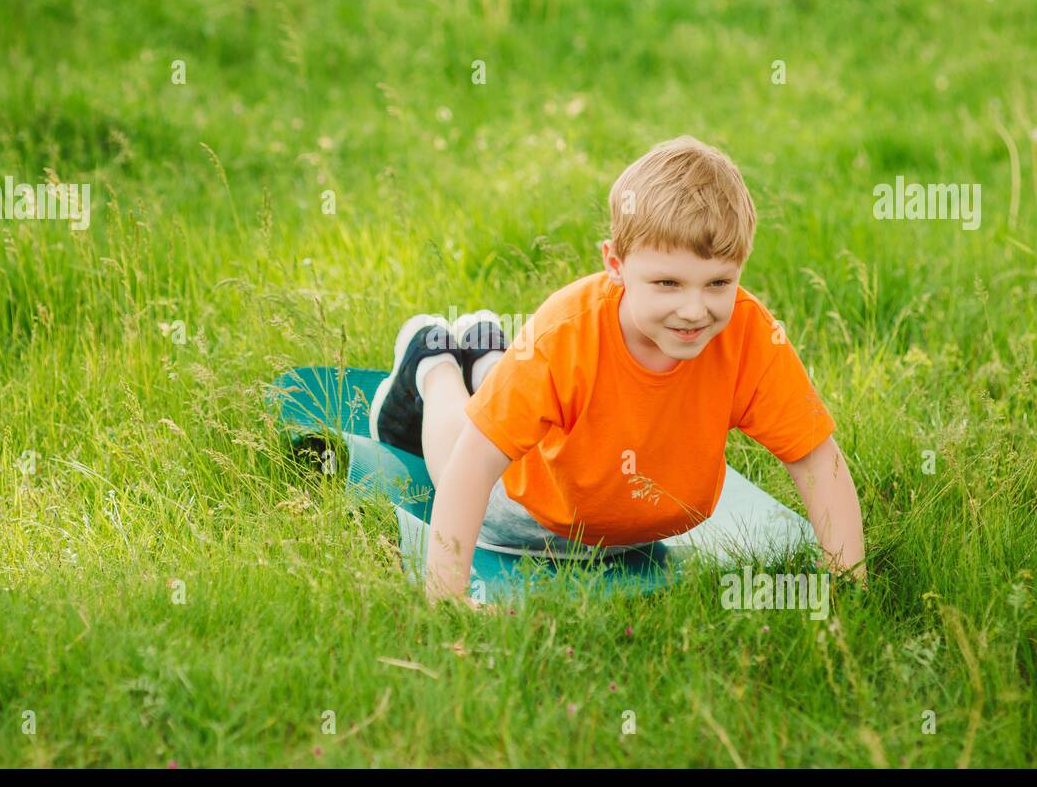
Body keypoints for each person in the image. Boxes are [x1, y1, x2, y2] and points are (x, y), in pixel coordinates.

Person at [369, 136, 866, 611]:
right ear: (615, 263)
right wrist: (448, 600)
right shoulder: (566, 333)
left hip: (635, 531)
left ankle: (484, 348)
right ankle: (431, 362)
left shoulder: (749, 335)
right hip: (525, 517)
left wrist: (849, 589)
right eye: (667, 283)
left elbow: (817, 461)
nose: (695, 310)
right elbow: (473, 463)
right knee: (457, 441)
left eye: (718, 282)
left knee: (518, 386)